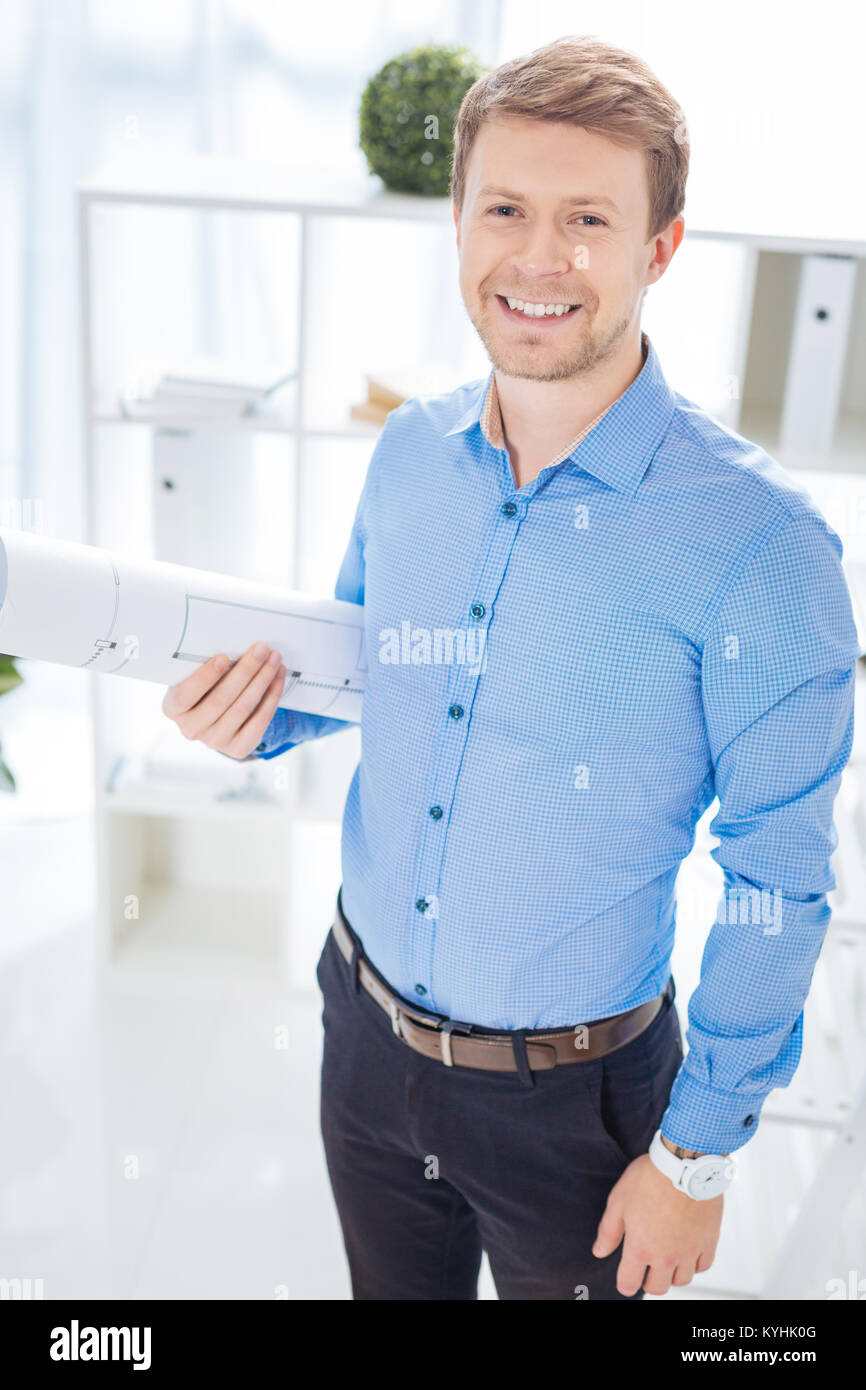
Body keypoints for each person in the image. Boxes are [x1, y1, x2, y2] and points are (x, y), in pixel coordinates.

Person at [162, 36, 860, 1300]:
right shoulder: (411, 456)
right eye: (505, 210)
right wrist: (254, 720)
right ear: (457, 224)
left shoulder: (764, 552)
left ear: (659, 248)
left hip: (580, 1113)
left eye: (587, 218)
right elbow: (373, 663)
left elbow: (777, 880)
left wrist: (695, 1155)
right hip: (362, 1041)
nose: (538, 258)